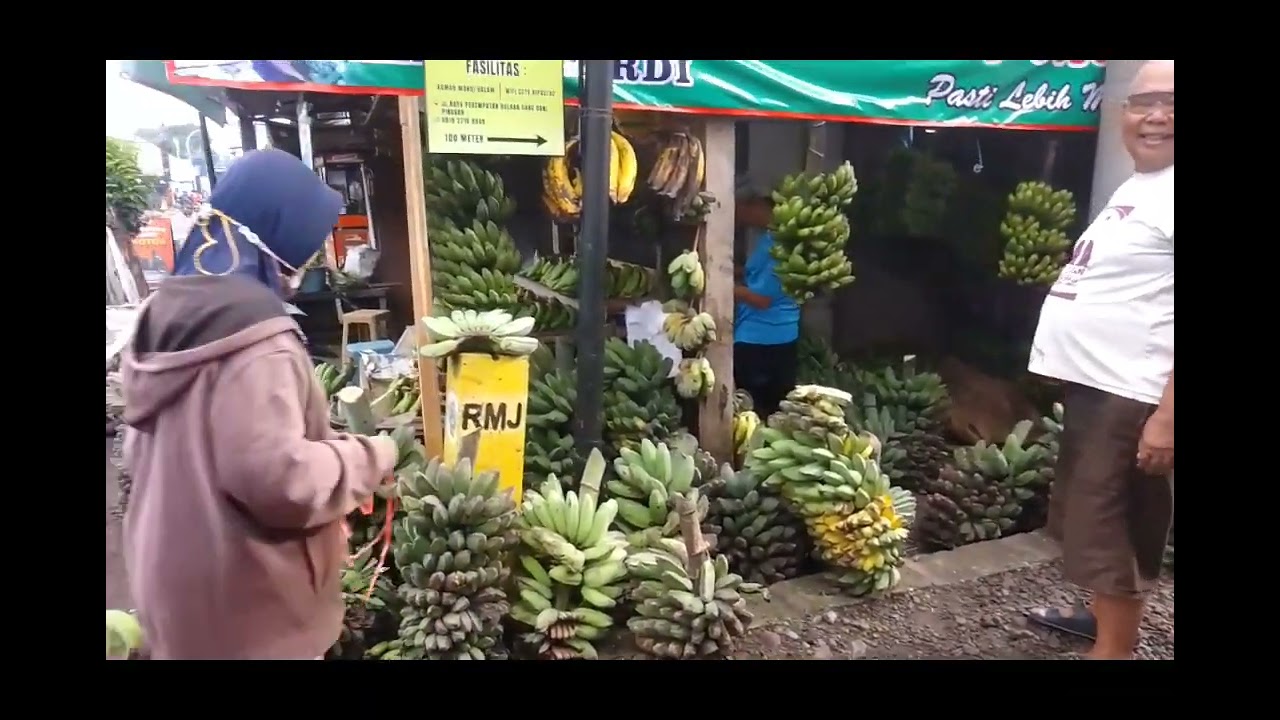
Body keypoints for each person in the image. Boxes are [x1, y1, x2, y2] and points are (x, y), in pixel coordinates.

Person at [119, 149, 400, 660]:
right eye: (309, 245)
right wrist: (370, 456)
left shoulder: (167, 312)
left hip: (179, 596)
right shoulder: (255, 336)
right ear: (279, 236)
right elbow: (280, 480)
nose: (310, 261)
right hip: (247, 614)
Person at [1024, 61, 1174, 660]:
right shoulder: (1142, 185)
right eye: (1143, 103)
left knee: (1114, 531)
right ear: (1122, 114)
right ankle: (1100, 620)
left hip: (1133, 394)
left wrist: (1167, 416)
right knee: (1094, 523)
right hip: (1101, 386)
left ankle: (1114, 650)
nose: (1156, 116)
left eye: (1172, 103)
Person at [733, 194, 801, 418]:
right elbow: (756, 273)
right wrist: (733, 271)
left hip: (761, 341)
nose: (744, 214)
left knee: (756, 412)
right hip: (778, 337)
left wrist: (723, 289)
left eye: (749, 207)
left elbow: (762, 300)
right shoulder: (771, 239)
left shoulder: (782, 247)